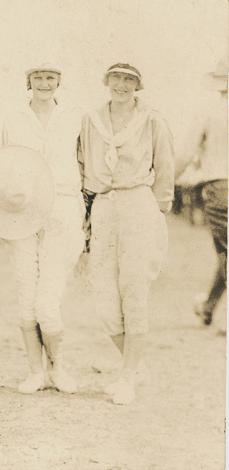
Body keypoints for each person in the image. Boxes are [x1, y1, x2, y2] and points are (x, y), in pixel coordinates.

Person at [78, 63, 174, 405]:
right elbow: (82, 165)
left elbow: (164, 169)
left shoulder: (151, 120)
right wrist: (87, 215)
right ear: (106, 81)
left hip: (138, 205)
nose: (122, 85)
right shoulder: (91, 120)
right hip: (104, 206)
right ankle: (136, 365)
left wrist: (156, 213)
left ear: (138, 86)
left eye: (129, 80)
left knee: (134, 292)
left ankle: (129, 376)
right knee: (104, 298)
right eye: (116, 78)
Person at [0, 63, 85, 394]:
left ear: (59, 81)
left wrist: (85, 212)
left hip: (63, 207)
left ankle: (58, 368)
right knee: (26, 298)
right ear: (28, 81)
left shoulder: (75, 117)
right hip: (22, 210)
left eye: (51, 77)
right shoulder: (14, 118)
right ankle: (35, 371)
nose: (44, 83)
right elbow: (1, 164)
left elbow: (85, 164)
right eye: (38, 77)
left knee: (47, 305)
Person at [174, 60, 227, 329]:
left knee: (227, 254)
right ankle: (209, 306)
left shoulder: (208, 111)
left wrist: (164, 184)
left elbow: (184, 154)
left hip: (220, 186)